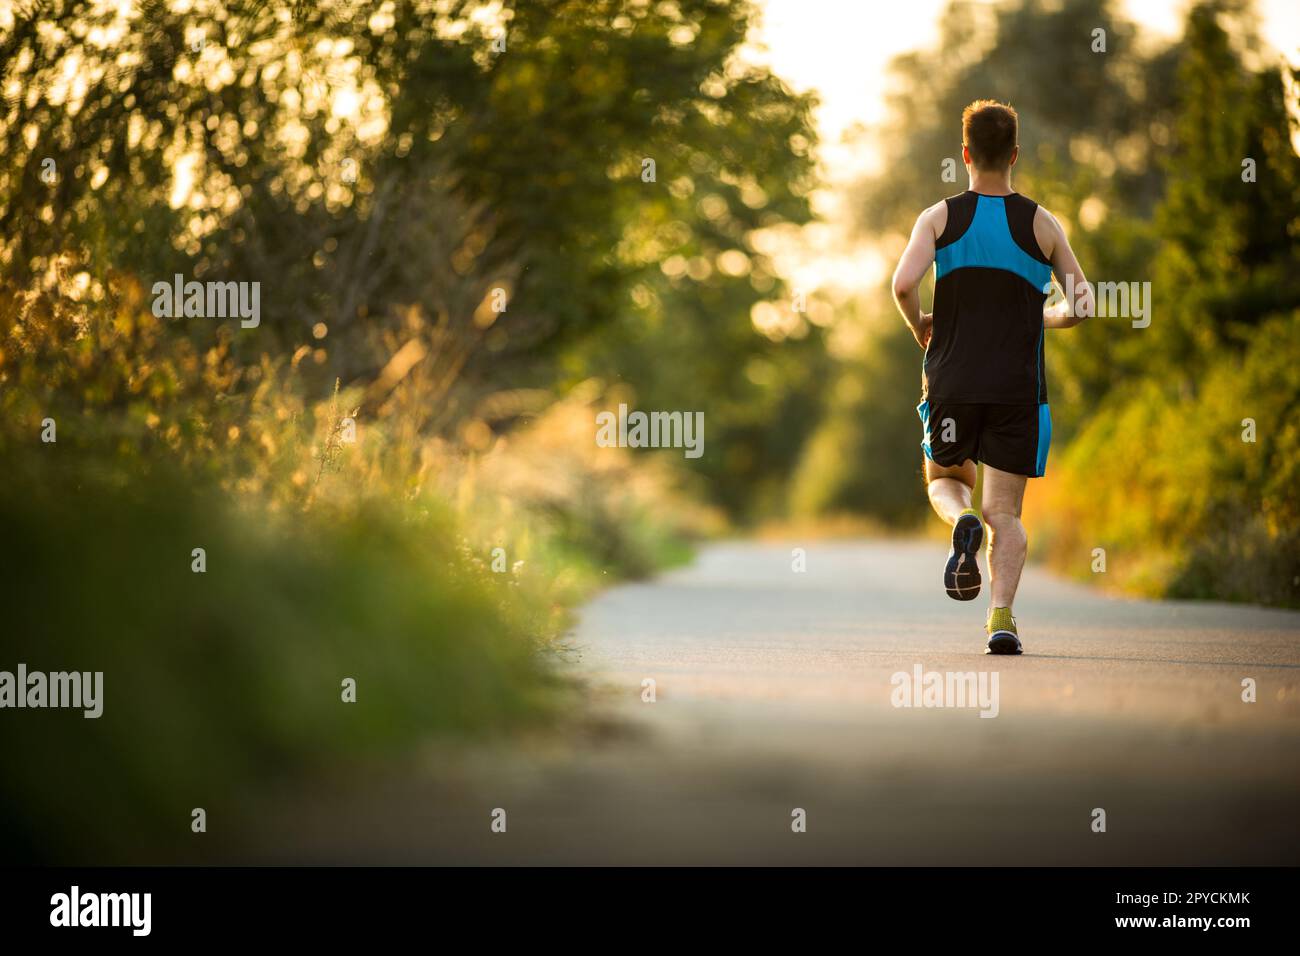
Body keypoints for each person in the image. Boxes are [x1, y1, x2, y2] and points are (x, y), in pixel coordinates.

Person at [890, 99, 1094, 655]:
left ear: (965, 154)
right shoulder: (1041, 223)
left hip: (953, 382)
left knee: (945, 481)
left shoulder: (939, 218)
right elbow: (1082, 303)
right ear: (1015, 155)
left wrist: (920, 327)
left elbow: (903, 285)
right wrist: (1046, 316)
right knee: (1005, 513)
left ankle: (960, 521)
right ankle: (1000, 619)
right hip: (1017, 392)